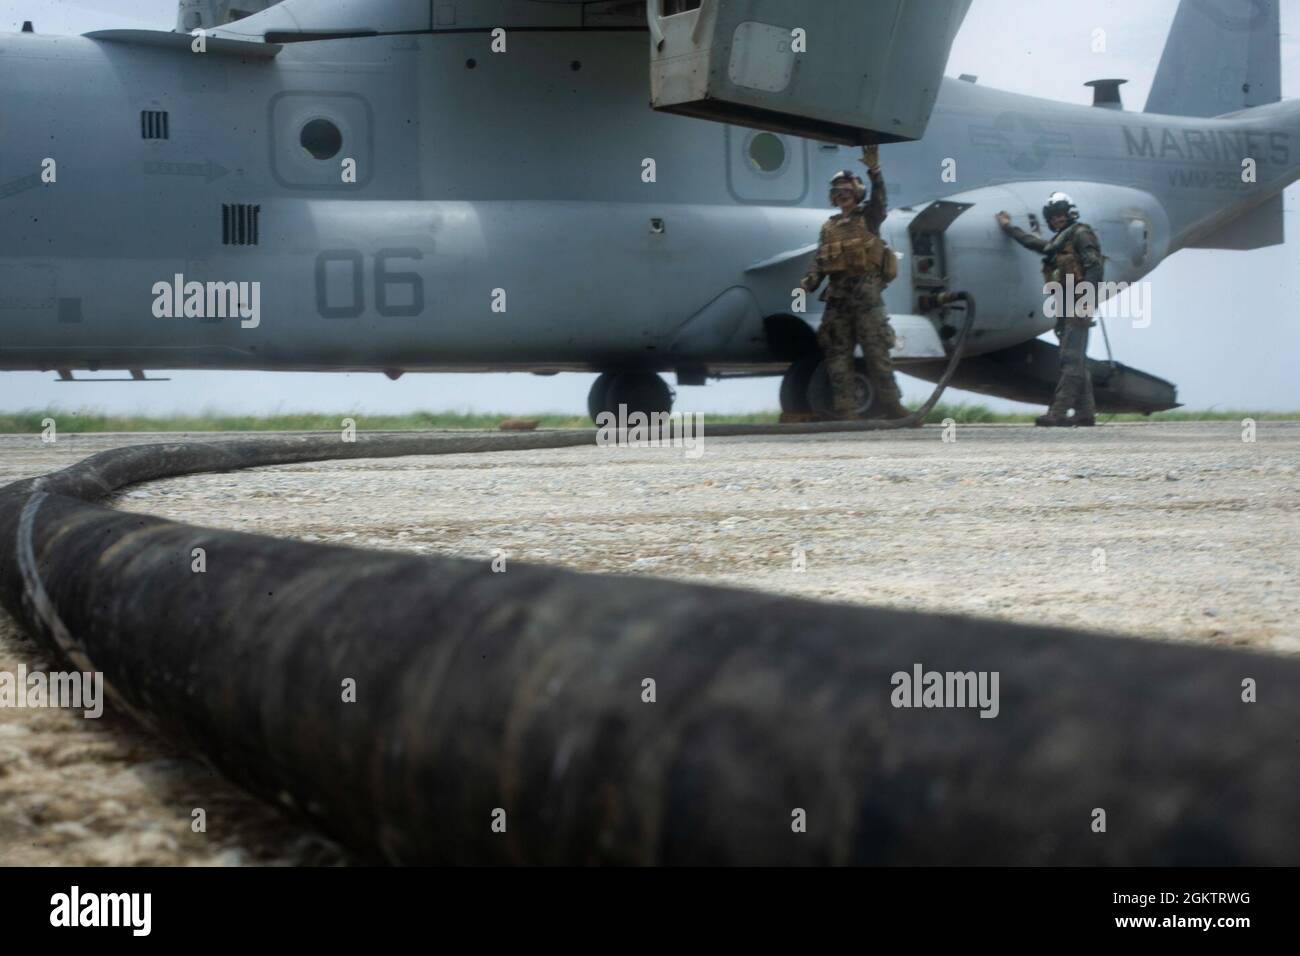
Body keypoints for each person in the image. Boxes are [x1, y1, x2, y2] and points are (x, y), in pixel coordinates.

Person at [800, 145, 909, 422]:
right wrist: (809, 283)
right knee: (837, 355)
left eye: (846, 192)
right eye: (837, 192)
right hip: (837, 298)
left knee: (877, 353)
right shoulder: (829, 227)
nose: (841, 196)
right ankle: (846, 410)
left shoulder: (869, 218)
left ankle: (893, 407)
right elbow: (820, 260)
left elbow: (881, 200)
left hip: (866, 296)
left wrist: (875, 171)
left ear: (857, 193)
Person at [996, 192, 1104, 427]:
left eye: (1060, 215)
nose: (1057, 220)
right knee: (1077, 361)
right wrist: (1009, 228)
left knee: (1070, 359)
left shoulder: (1081, 234)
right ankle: (1085, 413)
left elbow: (1094, 267)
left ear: (1070, 213)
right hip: (1065, 305)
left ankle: (1058, 412)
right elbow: (1037, 244)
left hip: (1077, 305)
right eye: (1053, 217)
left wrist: (1086, 301)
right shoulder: (1060, 242)